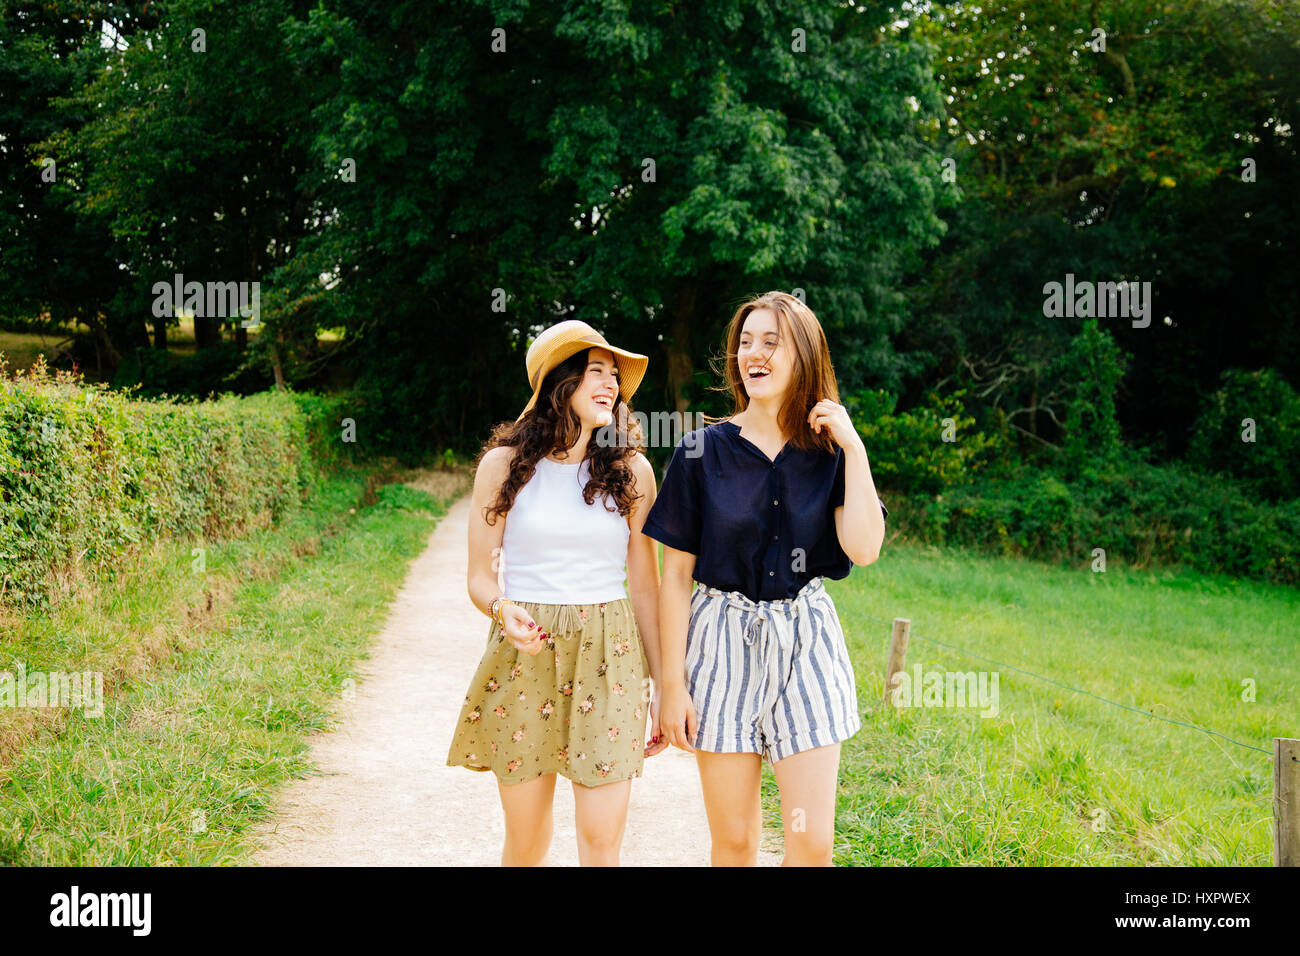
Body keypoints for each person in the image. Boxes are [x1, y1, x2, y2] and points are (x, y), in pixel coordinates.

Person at [642, 291, 888, 867]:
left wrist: (854, 447)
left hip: (806, 641)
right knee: (735, 843)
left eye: (771, 342)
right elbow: (674, 577)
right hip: (721, 644)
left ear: (804, 354)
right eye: (745, 342)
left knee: (811, 844)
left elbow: (864, 547)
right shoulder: (701, 452)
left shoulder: (829, 452)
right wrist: (671, 686)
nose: (753, 353)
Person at [447, 320, 666, 866]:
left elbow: (645, 584)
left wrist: (662, 682)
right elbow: (479, 577)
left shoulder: (633, 470)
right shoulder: (503, 466)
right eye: (596, 371)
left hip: (609, 653)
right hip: (527, 655)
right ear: (557, 383)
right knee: (527, 840)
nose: (611, 384)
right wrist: (502, 608)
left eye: (614, 375)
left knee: (600, 842)